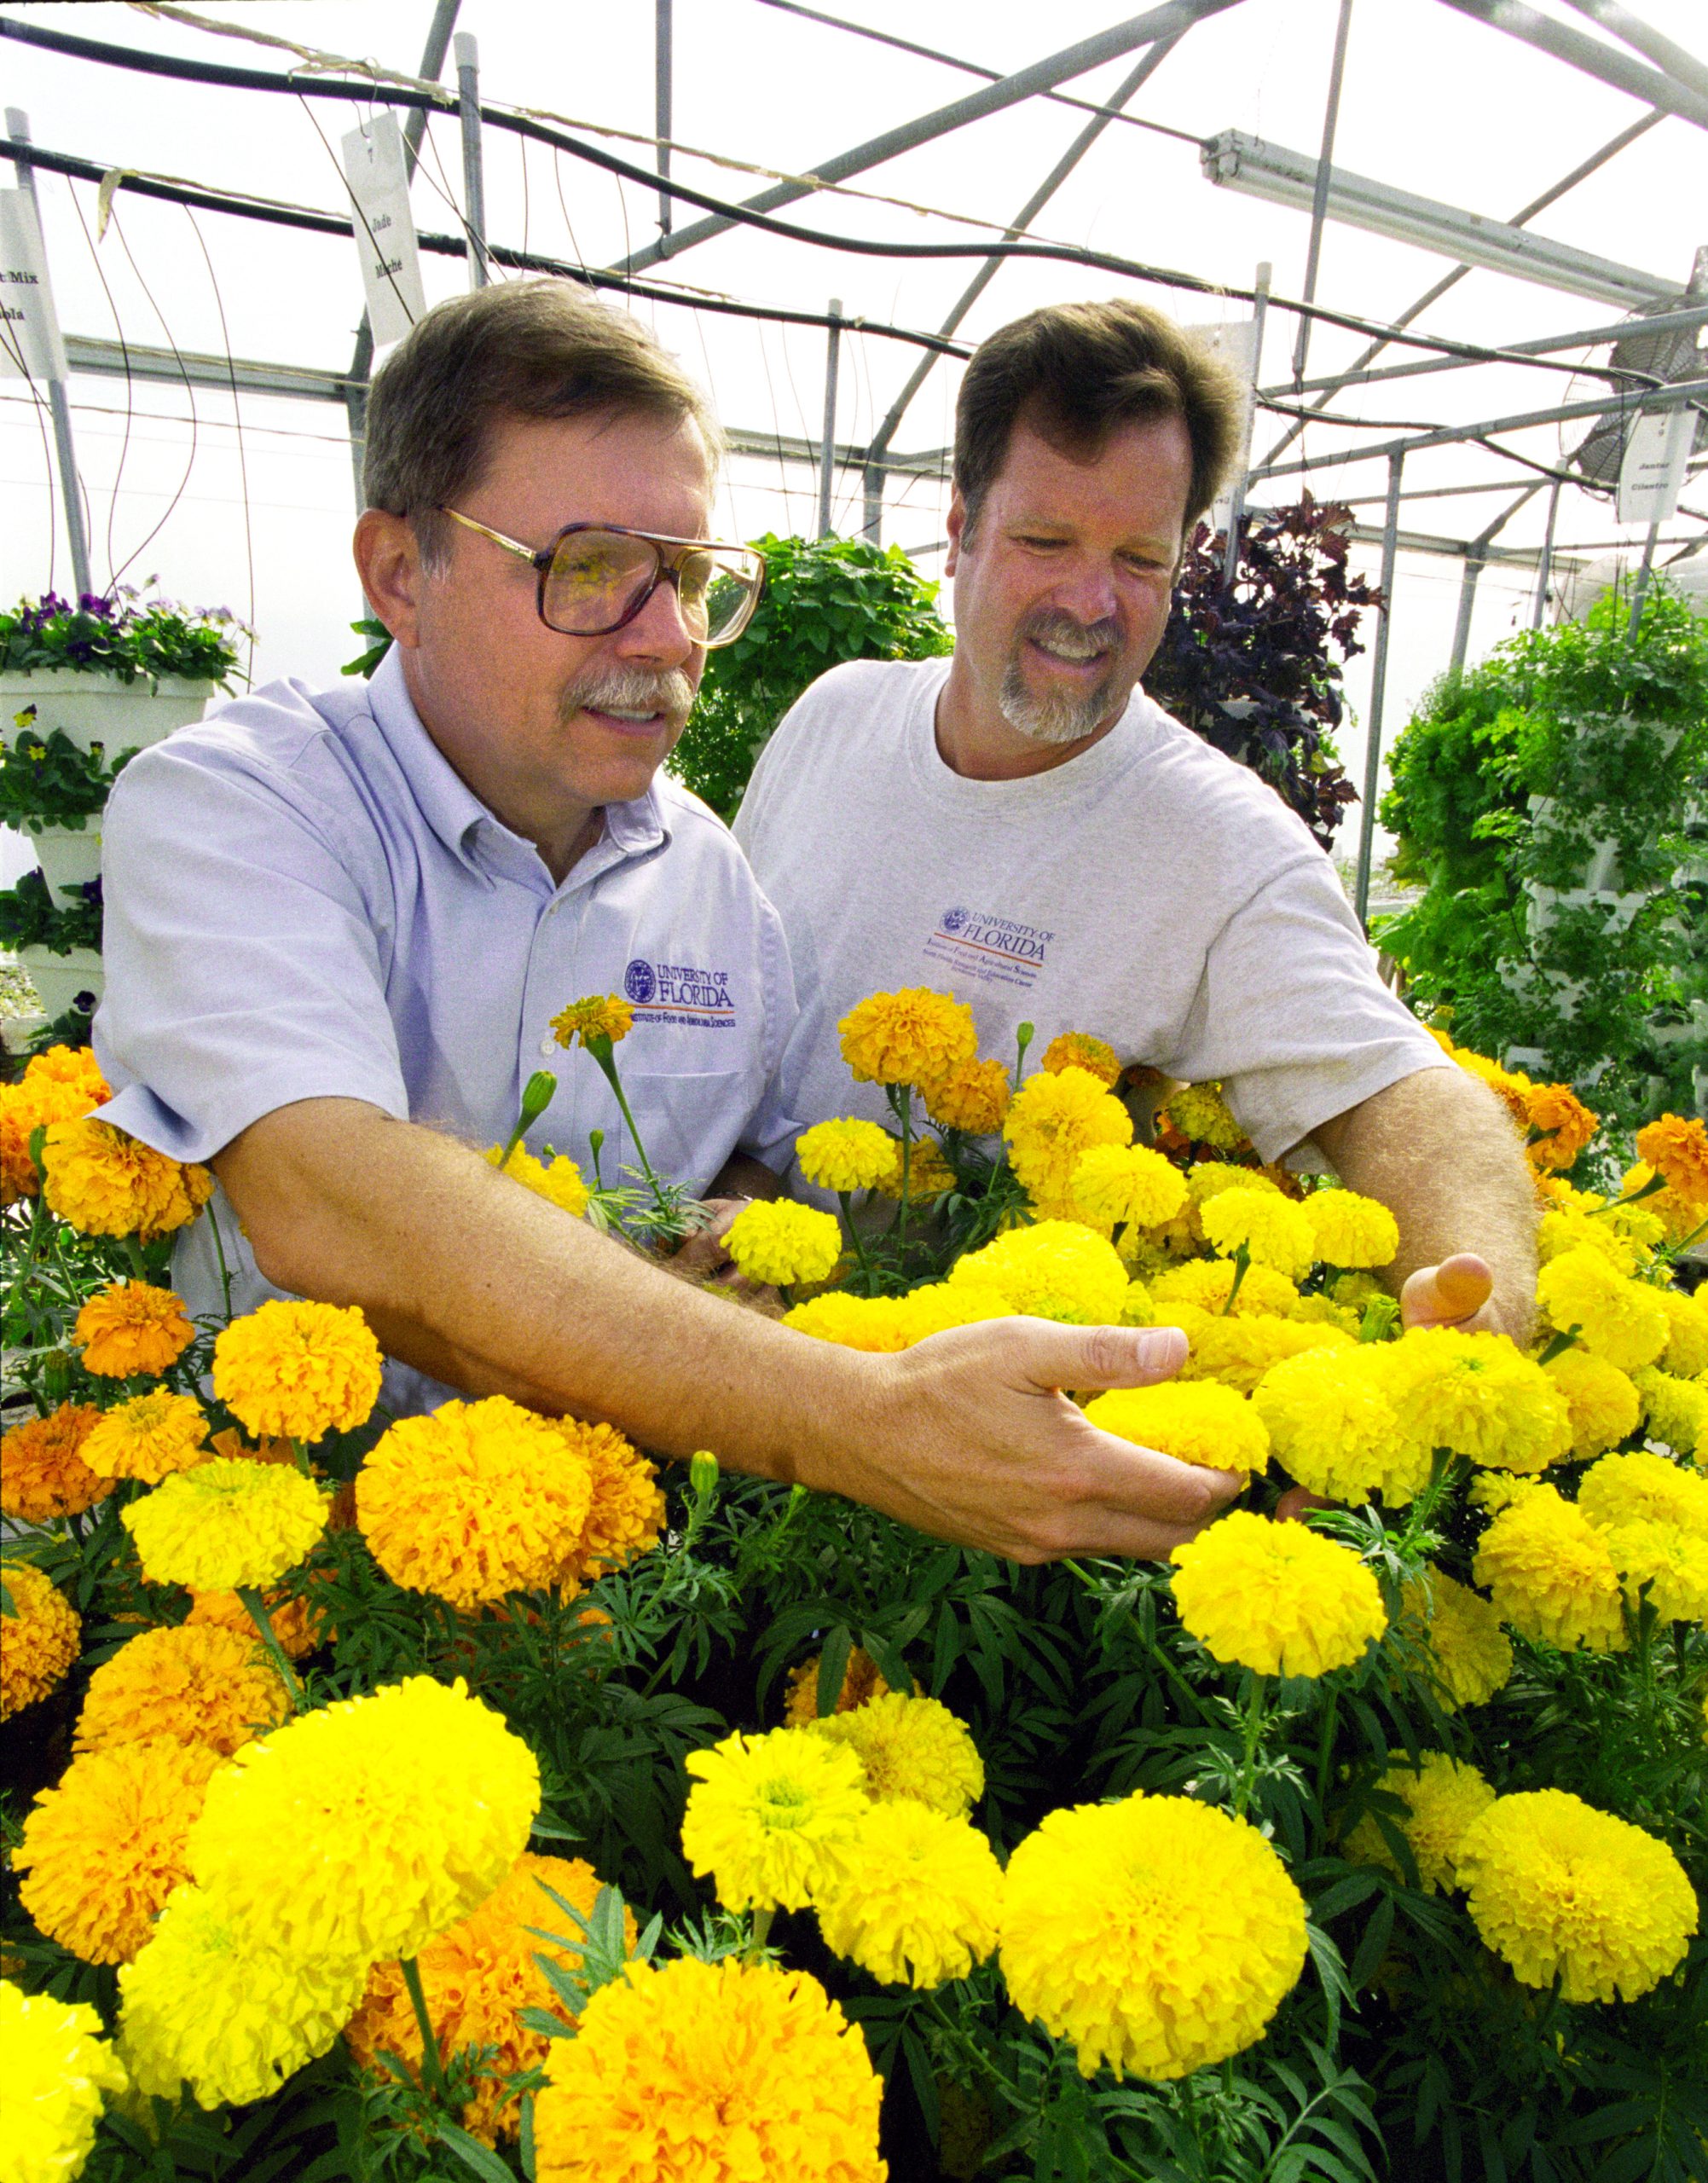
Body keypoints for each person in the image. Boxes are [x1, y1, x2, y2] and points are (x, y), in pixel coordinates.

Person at [92, 278, 1237, 1566]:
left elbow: (745, 1156)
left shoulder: (711, 886)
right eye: (585, 569)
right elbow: (331, 1197)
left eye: (686, 576)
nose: (664, 639)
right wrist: (851, 1420)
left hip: (626, 1583)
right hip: (281, 1575)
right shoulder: (243, 806)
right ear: (399, 571)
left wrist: (732, 1229)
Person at [735, 299, 1537, 1341]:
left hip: (915, 1441)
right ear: (959, 529)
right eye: (1044, 538)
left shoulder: (1218, 847)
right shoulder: (835, 714)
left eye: (1138, 560)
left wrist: (1476, 1310)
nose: (1089, 599)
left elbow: (1395, 1087)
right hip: (698, 1307)